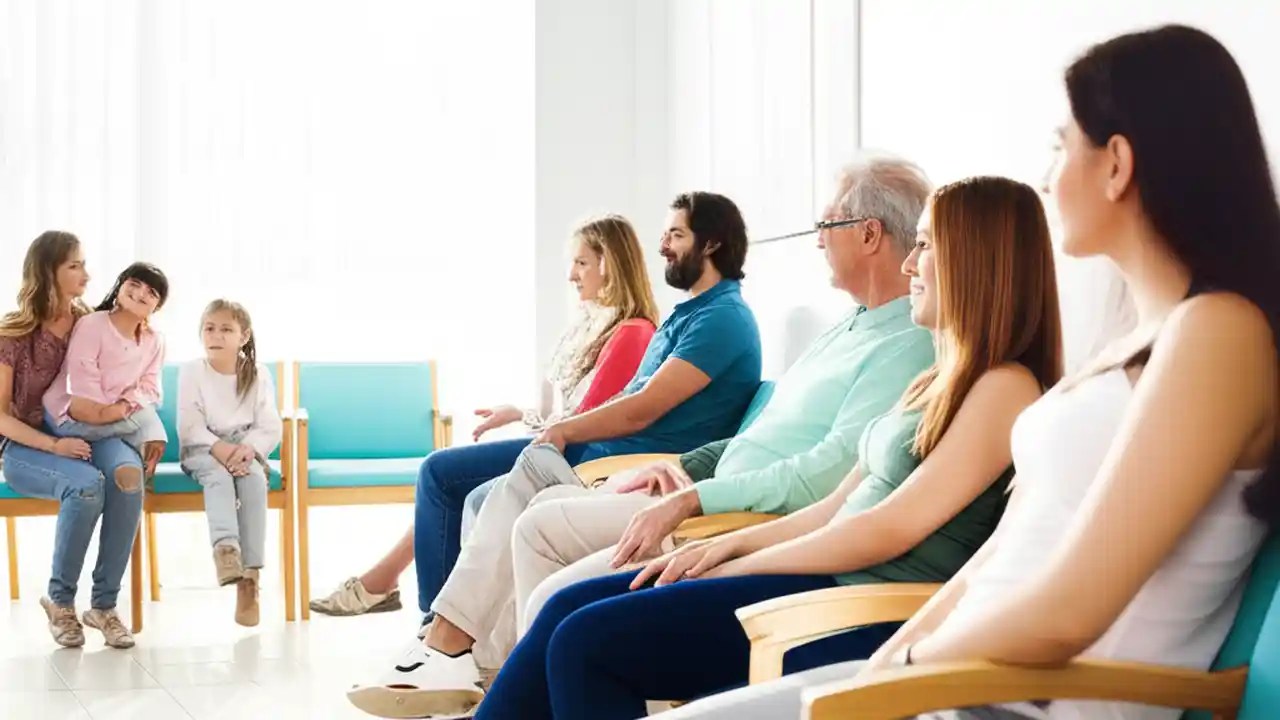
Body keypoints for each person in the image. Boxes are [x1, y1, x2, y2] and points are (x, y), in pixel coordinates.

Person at [656, 24, 1280, 720]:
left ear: (1117, 164)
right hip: (964, 680)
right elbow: (1003, 554)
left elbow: (1070, 613)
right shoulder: (1126, 345)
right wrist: (891, 667)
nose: (1046, 176)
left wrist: (908, 675)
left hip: (1021, 700)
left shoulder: (1219, 333)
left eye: (1059, 146)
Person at [346, 155, 938, 716]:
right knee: (534, 533)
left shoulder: (889, 342)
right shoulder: (843, 329)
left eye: (827, 223)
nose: (817, 238)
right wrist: (693, 467)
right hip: (700, 490)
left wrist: (693, 496)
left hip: (739, 520)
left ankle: (466, 660)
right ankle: (473, 664)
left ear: (867, 234)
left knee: (545, 565)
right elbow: (759, 439)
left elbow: (824, 476)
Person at [471, 175, 1065, 720]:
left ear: (977, 260)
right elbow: (834, 505)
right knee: (563, 611)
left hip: (855, 602)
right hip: (820, 573)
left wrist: (739, 563)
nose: (912, 262)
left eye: (928, 246)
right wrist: (726, 548)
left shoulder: (1004, 386)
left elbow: (891, 530)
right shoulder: (932, 381)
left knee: (586, 642)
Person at [345, 193, 765, 717]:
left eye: (676, 235)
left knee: (516, 473)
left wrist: (563, 428)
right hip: (607, 465)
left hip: (641, 471)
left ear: (714, 243)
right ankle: (462, 660)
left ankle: (448, 649)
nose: (663, 245)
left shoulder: (723, 320)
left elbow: (641, 410)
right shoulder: (689, 316)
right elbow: (625, 401)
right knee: (512, 479)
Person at [309, 214, 661, 617]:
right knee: (442, 479)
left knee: (438, 475)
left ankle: (424, 615)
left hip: (574, 457)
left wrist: (537, 422)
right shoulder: (595, 325)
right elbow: (567, 412)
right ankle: (409, 602)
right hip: (558, 443)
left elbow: (587, 420)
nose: (571, 275)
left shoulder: (632, 332)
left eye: (582, 263)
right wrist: (520, 413)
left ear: (610, 263)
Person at [0, 231, 146, 650]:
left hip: (83, 430)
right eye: (74, 265)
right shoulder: (11, 334)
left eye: (83, 263)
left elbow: (129, 369)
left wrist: (147, 430)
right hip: (26, 447)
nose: (86, 273)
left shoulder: (89, 320)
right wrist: (53, 446)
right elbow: (1, 417)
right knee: (85, 486)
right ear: (49, 272)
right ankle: (60, 601)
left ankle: (104, 605)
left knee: (127, 475)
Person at [178, 299, 282, 627]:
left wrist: (247, 450)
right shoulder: (193, 371)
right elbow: (189, 424)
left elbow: (269, 425)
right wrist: (219, 448)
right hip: (203, 448)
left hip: (244, 450)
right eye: (209, 328)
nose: (216, 335)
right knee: (219, 479)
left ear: (244, 336)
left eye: (226, 329)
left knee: (252, 480)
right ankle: (226, 551)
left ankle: (249, 578)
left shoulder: (258, 374)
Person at [42, 262, 169, 479]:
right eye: (134, 284)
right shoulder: (92, 325)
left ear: (156, 307)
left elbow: (150, 388)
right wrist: (127, 415)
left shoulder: (154, 340)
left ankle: (140, 472)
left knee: (132, 468)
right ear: (120, 286)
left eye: (151, 292)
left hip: (112, 416)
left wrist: (124, 405)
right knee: (147, 423)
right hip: (70, 419)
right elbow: (82, 409)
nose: (140, 293)